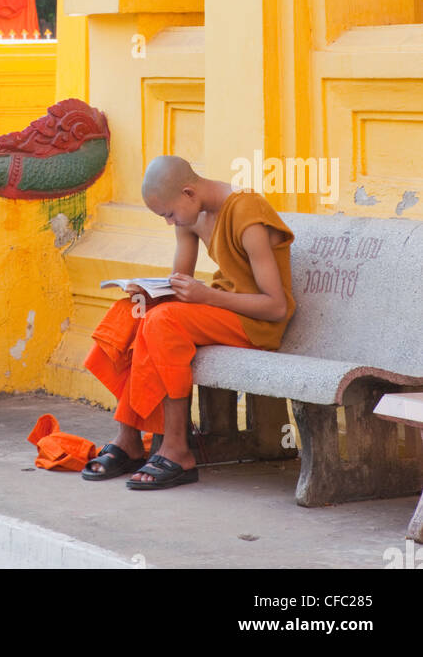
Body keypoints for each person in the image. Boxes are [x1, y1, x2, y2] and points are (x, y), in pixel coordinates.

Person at [81, 154, 295, 490]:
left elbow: (276, 307)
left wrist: (206, 297)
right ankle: (129, 439)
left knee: (163, 322)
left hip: (256, 323)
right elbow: (178, 281)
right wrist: (150, 292)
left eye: (168, 214)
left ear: (188, 192)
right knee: (132, 312)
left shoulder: (247, 214)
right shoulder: (190, 214)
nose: (170, 222)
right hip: (220, 312)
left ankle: (177, 448)